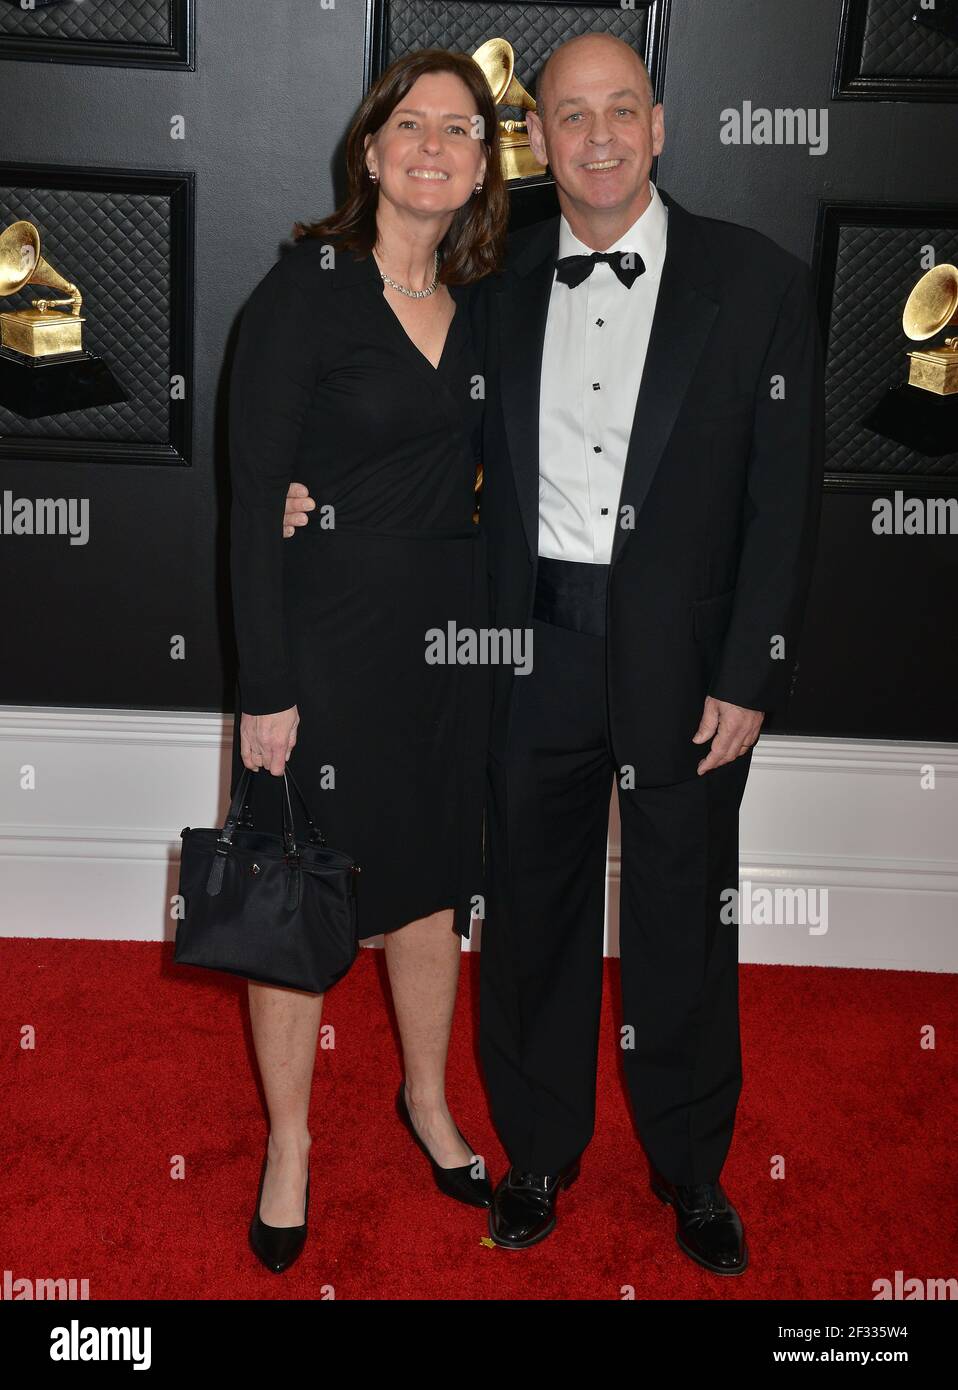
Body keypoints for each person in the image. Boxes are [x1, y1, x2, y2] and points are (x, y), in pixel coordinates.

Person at [284, 32, 824, 1276]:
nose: (594, 137)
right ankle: (535, 1154)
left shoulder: (755, 284)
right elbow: (400, 415)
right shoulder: (500, 276)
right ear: (538, 137)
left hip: (687, 665)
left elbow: (783, 506)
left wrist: (750, 670)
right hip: (527, 649)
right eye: (567, 115)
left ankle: (690, 1170)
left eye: (618, 110)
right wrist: (299, 484)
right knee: (530, 913)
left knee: (686, 917)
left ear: (661, 125)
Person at [227, 48, 508, 1274]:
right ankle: (289, 1144)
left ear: (486, 166)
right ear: (371, 147)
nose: (435, 144)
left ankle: (427, 1101)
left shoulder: (489, 300)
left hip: (444, 651)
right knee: (294, 899)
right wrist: (266, 685)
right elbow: (249, 503)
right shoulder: (306, 291)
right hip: (325, 644)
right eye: (413, 123)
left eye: (462, 128)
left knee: (430, 893)